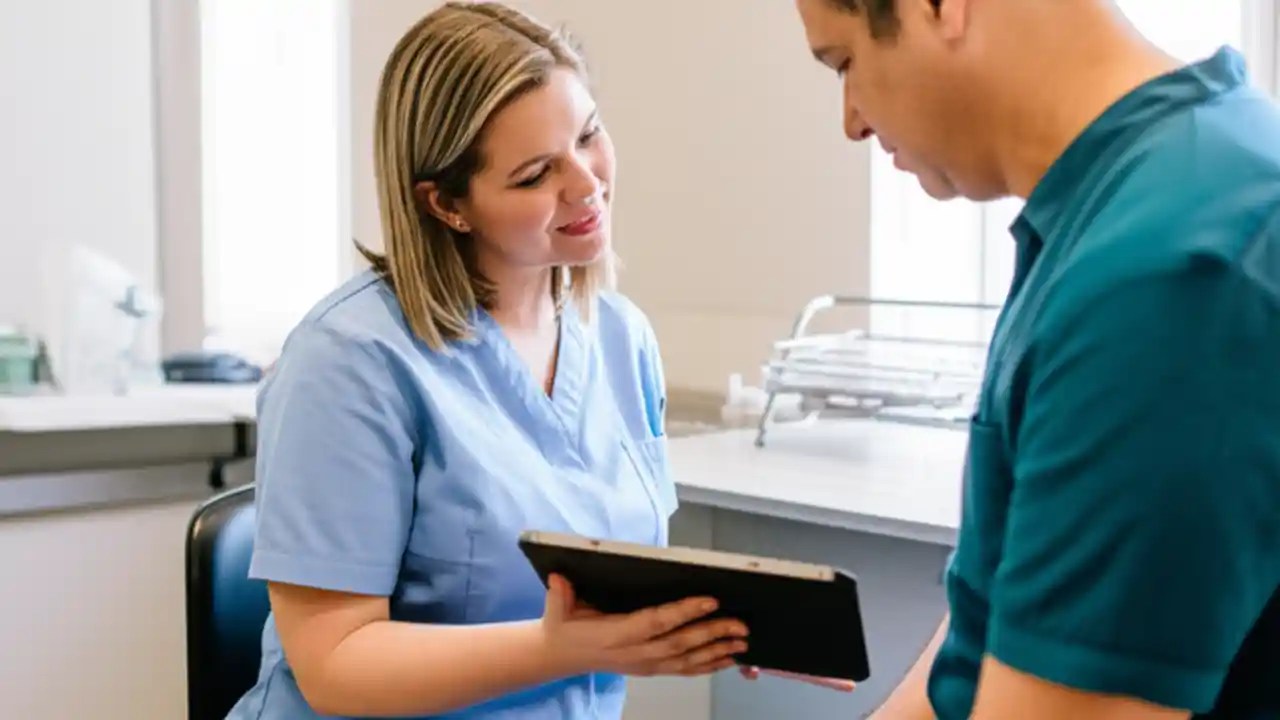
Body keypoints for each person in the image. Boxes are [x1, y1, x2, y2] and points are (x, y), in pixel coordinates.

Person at [224, 4, 753, 718]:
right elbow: (334, 664)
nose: (586, 184)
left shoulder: (620, 338)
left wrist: (735, 630)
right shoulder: (349, 362)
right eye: (535, 175)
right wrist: (561, 649)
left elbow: (619, 584)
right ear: (447, 203)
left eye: (588, 135)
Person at [793, 1, 1280, 719]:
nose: (852, 121)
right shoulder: (1115, 209)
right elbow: (996, 619)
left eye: (846, 63)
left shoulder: (1173, 273)